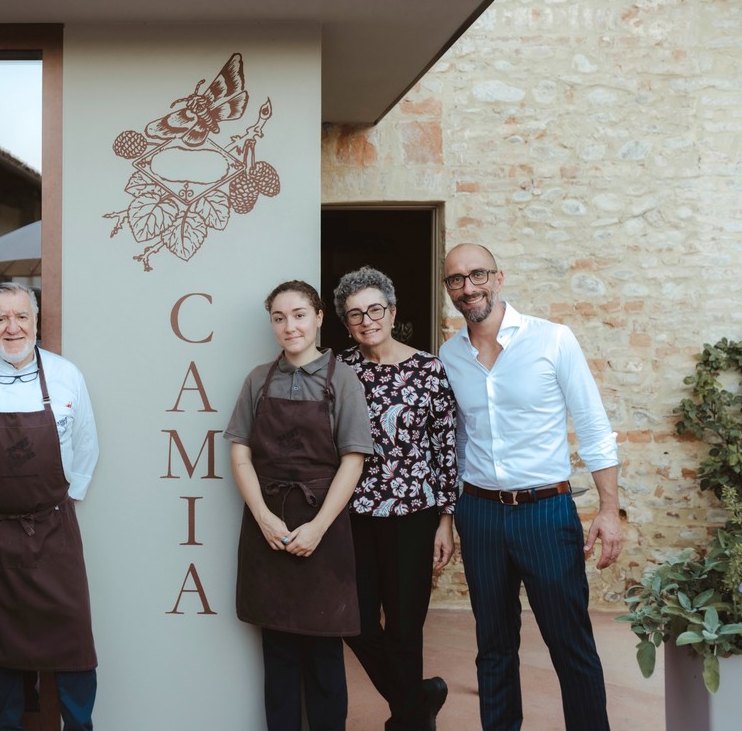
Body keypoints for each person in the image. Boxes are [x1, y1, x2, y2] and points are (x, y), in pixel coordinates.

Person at [438, 243, 621, 731]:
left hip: (545, 512)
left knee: (570, 644)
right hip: (479, 514)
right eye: (455, 279)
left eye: (477, 275)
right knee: (493, 646)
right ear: (448, 289)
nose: (468, 287)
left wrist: (608, 509)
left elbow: (593, 425)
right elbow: (457, 438)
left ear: (498, 278)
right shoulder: (449, 356)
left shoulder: (553, 339)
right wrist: (449, 515)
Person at [0, 282, 99, 731]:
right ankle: (8, 724)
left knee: (71, 636)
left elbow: (85, 442)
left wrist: (64, 495)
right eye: (1, 319)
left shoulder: (66, 375)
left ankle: (78, 725)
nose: (13, 328)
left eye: (21, 316)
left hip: (53, 527)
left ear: (36, 321)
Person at [224, 280, 374, 731]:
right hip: (268, 528)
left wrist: (318, 527)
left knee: (325, 652)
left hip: (323, 530)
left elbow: (353, 460)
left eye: (299, 315)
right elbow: (239, 454)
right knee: (278, 653)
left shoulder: (343, 379)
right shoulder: (258, 379)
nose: (290, 326)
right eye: (279, 318)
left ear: (319, 318)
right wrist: (264, 518)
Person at [333, 266, 457, 731]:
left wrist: (446, 519)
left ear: (392, 312)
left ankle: (407, 721)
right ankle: (419, 698)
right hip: (354, 514)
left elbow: (445, 448)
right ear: (346, 324)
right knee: (355, 623)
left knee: (405, 628)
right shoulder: (338, 370)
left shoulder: (429, 369)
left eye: (375, 310)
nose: (367, 321)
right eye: (355, 315)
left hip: (414, 515)